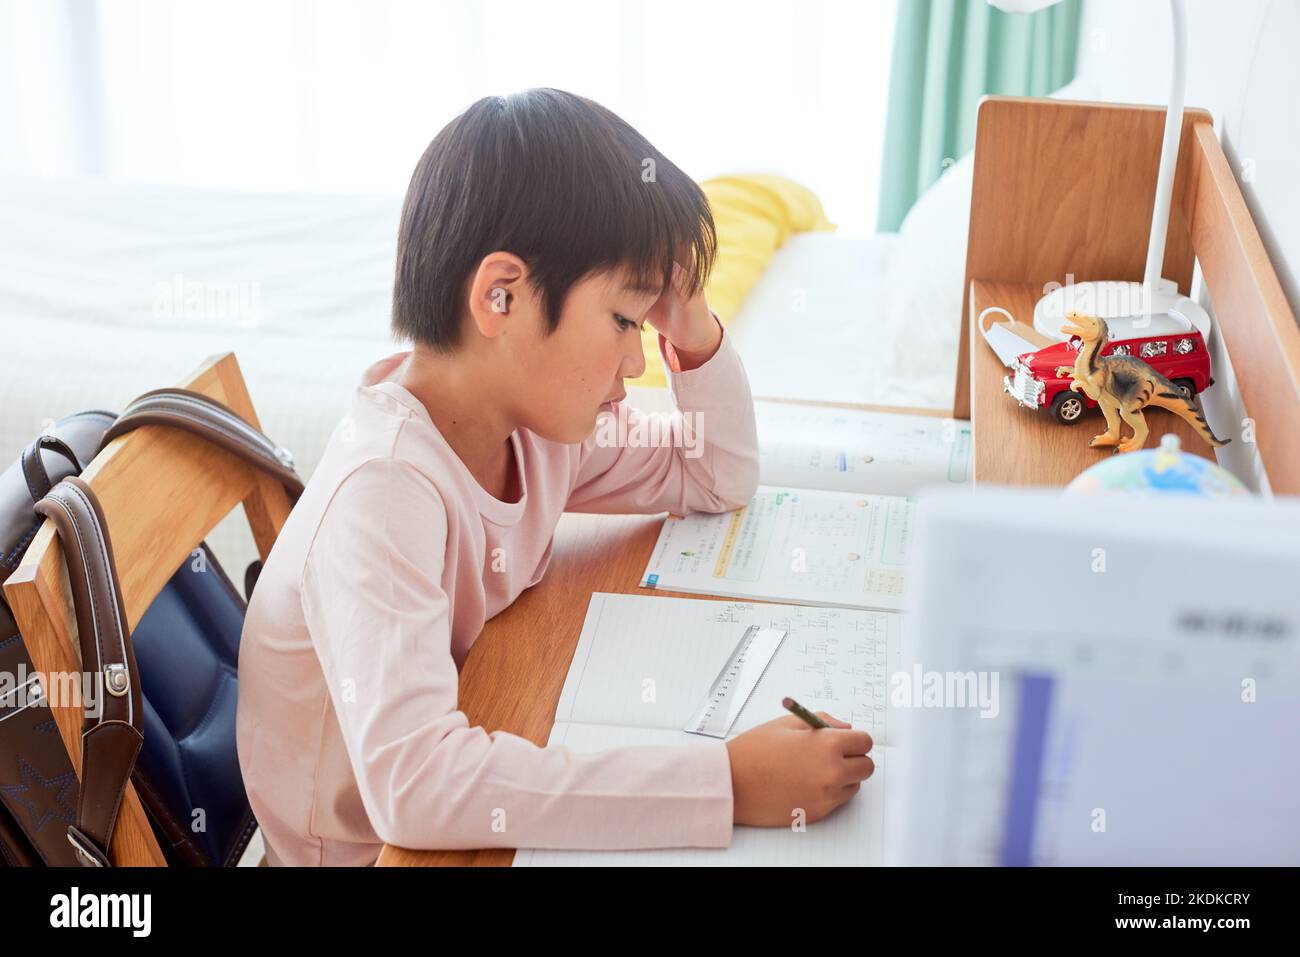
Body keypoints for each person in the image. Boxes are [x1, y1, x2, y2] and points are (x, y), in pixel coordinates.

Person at [235, 88, 874, 866]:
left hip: (480, 737)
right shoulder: (385, 490)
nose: (637, 360)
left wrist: (694, 328)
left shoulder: (529, 429)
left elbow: (714, 473)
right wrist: (726, 782)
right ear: (499, 296)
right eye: (622, 322)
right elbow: (417, 785)